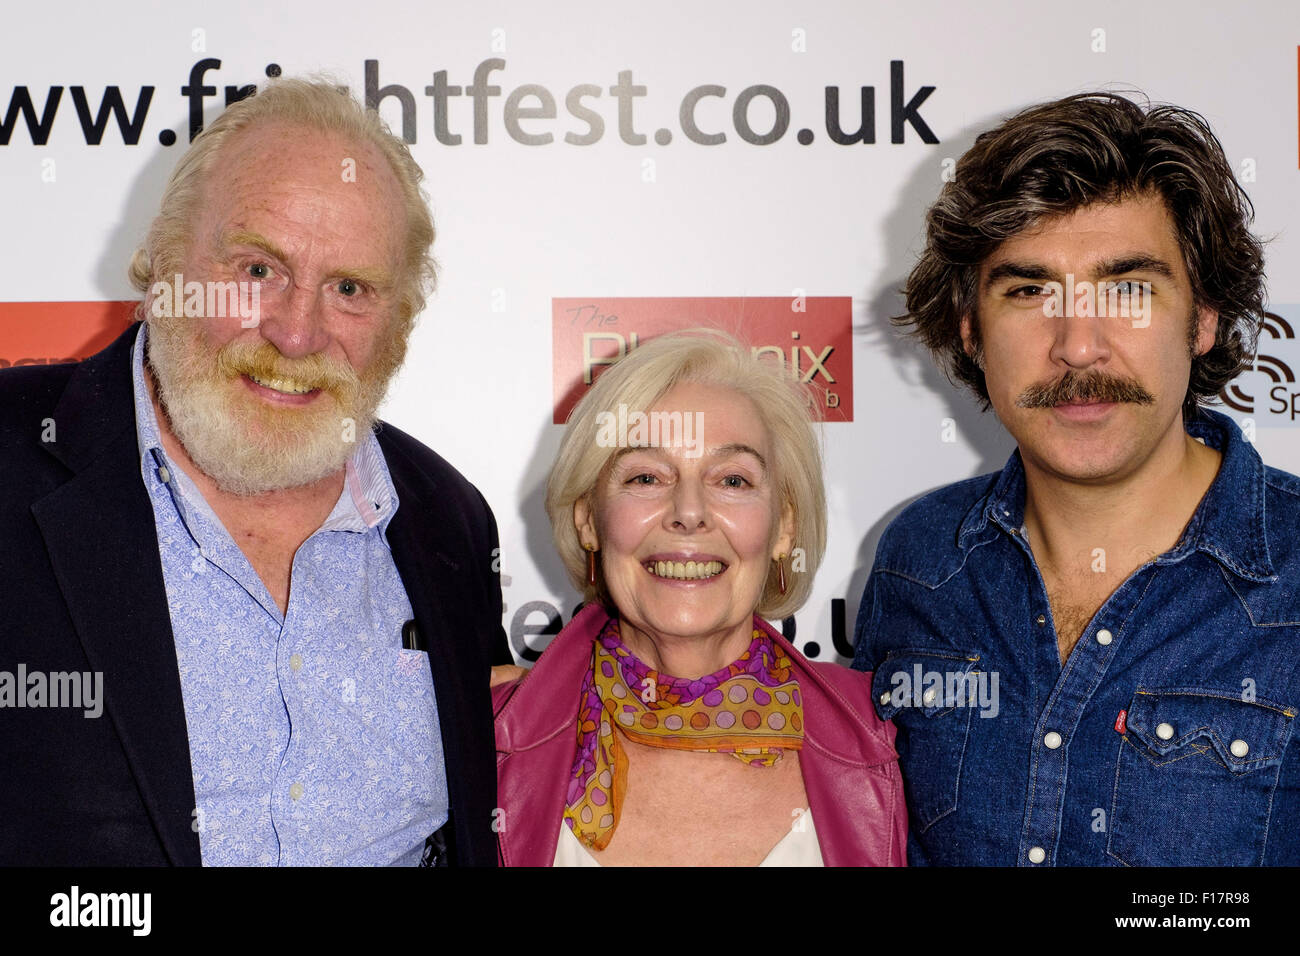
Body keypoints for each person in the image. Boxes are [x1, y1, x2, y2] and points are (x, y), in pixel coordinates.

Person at [0, 78, 510, 866]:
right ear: (165, 261)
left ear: (400, 321)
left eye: (349, 289)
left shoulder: (448, 521)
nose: (296, 333)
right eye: (258, 270)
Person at [853, 91, 1300, 865]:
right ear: (970, 327)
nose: (1079, 347)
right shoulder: (919, 561)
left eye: (1127, 288)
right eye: (1029, 292)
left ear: (1202, 319)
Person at [493, 330, 906, 866]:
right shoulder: (480, 743)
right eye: (646, 476)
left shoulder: (894, 739)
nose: (689, 511)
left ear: (783, 527)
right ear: (588, 520)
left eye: (732, 480)